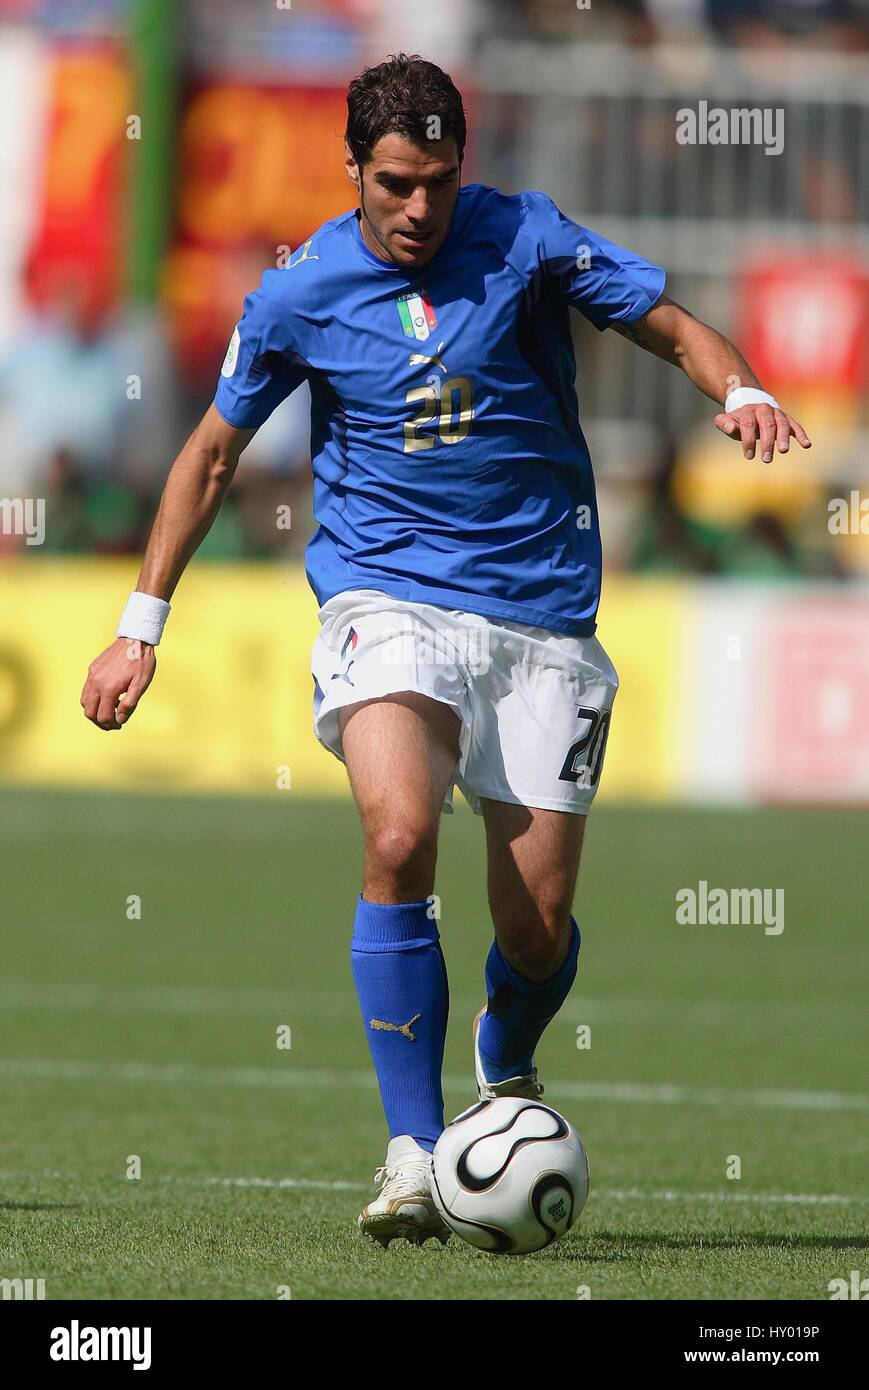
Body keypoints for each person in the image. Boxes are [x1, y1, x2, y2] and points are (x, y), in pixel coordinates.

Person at [80, 53, 811, 1248]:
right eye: (397, 184)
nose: (421, 208)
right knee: (398, 831)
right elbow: (211, 454)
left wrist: (739, 391)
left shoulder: (525, 237)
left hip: (539, 612)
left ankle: (501, 1059)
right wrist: (137, 627)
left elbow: (669, 322)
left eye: (440, 181)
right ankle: (412, 1152)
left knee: (533, 930)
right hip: (385, 593)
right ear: (354, 169)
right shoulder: (298, 290)